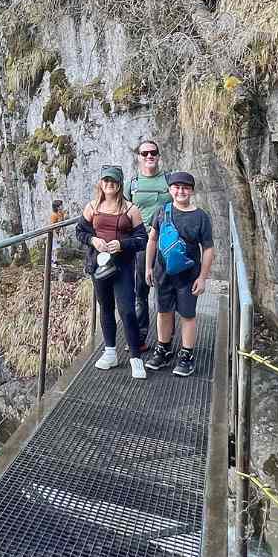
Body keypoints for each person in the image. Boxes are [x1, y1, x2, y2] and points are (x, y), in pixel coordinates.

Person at [144, 171, 215, 378]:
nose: (181, 191)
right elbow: (152, 240)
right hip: (163, 272)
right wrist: (148, 267)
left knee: (187, 315)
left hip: (188, 275)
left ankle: (187, 355)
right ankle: (163, 349)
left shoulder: (201, 217)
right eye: (176, 187)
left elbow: (208, 249)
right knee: (163, 311)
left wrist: (202, 278)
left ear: (191, 190)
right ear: (170, 190)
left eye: (185, 187)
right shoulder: (161, 212)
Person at [82, 165, 148, 379]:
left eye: (114, 181)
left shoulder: (131, 210)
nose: (109, 184)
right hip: (100, 266)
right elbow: (80, 231)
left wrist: (122, 244)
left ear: (120, 184)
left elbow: (142, 240)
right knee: (106, 308)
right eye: (106, 180)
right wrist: (93, 240)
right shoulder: (92, 206)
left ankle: (136, 358)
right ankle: (110, 352)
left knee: (127, 310)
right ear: (100, 183)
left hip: (123, 267)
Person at [125, 137, 172, 334]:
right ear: (138, 157)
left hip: (166, 240)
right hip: (141, 240)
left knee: (166, 290)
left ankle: (167, 337)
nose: (149, 156)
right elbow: (123, 212)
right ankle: (141, 333)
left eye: (153, 152)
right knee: (140, 290)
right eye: (145, 153)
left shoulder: (170, 179)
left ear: (159, 156)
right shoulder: (132, 184)